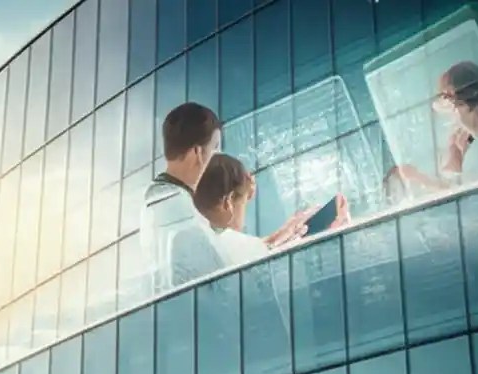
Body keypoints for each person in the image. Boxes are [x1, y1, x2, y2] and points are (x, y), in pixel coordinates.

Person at [193, 153, 351, 267]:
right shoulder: (228, 245)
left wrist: (284, 231)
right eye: (243, 203)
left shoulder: (200, 239)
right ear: (227, 203)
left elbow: (257, 247)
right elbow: (260, 255)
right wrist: (331, 233)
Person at [139, 102, 222, 293]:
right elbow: (215, 273)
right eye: (215, 147)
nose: (219, 157)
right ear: (197, 152)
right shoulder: (172, 203)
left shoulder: (162, 197)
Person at [393, 60, 478, 191]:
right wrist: (456, 155)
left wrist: (419, 178)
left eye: (446, 102)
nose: (446, 114)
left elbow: (465, 195)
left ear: (461, 103)